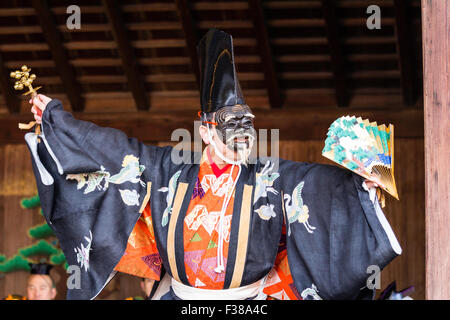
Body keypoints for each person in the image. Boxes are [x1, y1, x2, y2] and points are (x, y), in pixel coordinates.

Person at [25, 29, 401, 300]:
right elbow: (115, 150)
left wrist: (360, 185)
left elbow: (318, 185)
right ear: (206, 130)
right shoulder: (167, 171)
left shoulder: (271, 178)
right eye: (231, 124)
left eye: (248, 124)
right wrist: (58, 122)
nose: (243, 133)